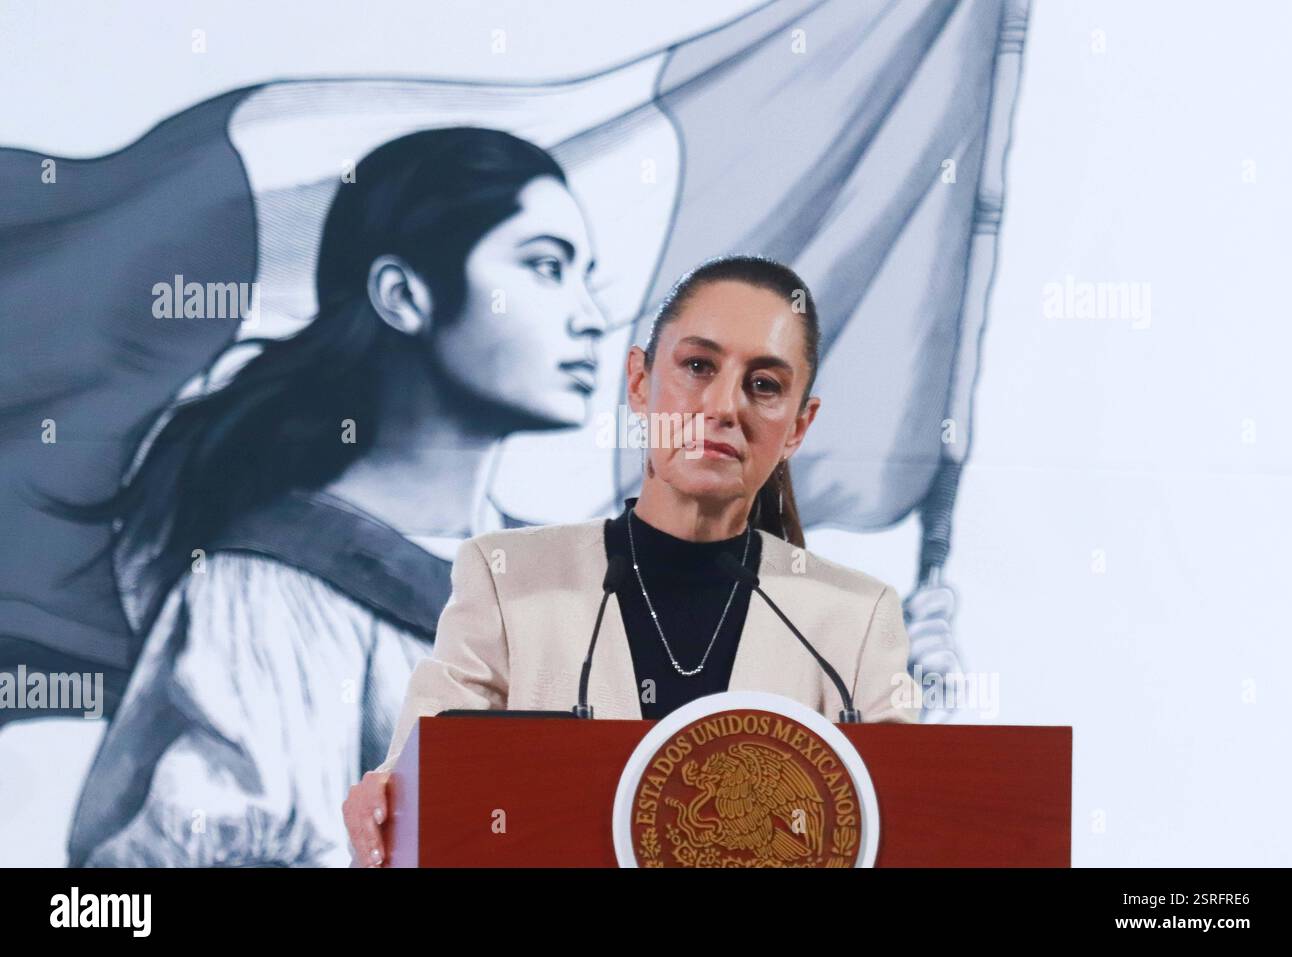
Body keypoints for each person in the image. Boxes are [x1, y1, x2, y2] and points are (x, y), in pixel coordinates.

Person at [59, 127, 608, 866]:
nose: (591, 317)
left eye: (586, 276)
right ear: (403, 296)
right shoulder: (268, 591)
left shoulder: (571, 583)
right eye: (545, 267)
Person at [342, 254, 923, 867]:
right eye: (698, 366)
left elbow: (914, 827)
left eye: (764, 385)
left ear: (799, 426)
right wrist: (385, 805)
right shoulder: (509, 581)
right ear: (640, 383)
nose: (725, 406)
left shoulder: (853, 621)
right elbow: (409, 808)